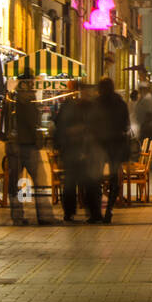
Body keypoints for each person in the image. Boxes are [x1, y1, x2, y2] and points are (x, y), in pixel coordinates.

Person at [5, 73, 57, 225]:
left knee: (16, 182)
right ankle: (44, 215)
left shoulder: (11, 97)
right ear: (28, 82)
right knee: (40, 180)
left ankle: (17, 216)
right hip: (27, 145)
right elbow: (32, 122)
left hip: (13, 145)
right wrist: (38, 139)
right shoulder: (27, 98)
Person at [53, 82, 103, 223]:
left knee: (88, 183)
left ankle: (92, 213)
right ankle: (71, 213)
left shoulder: (90, 107)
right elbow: (61, 127)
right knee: (73, 183)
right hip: (73, 151)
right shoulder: (71, 107)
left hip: (85, 151)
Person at [92, 77, 130, 222]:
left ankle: (97, 211)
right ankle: (109, 209)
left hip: (100, 145)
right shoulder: (120, 103)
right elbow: (126, 124)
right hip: (116, 145)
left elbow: (91, 123)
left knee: (96, 177)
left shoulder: (96, 104)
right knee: (114, 178)